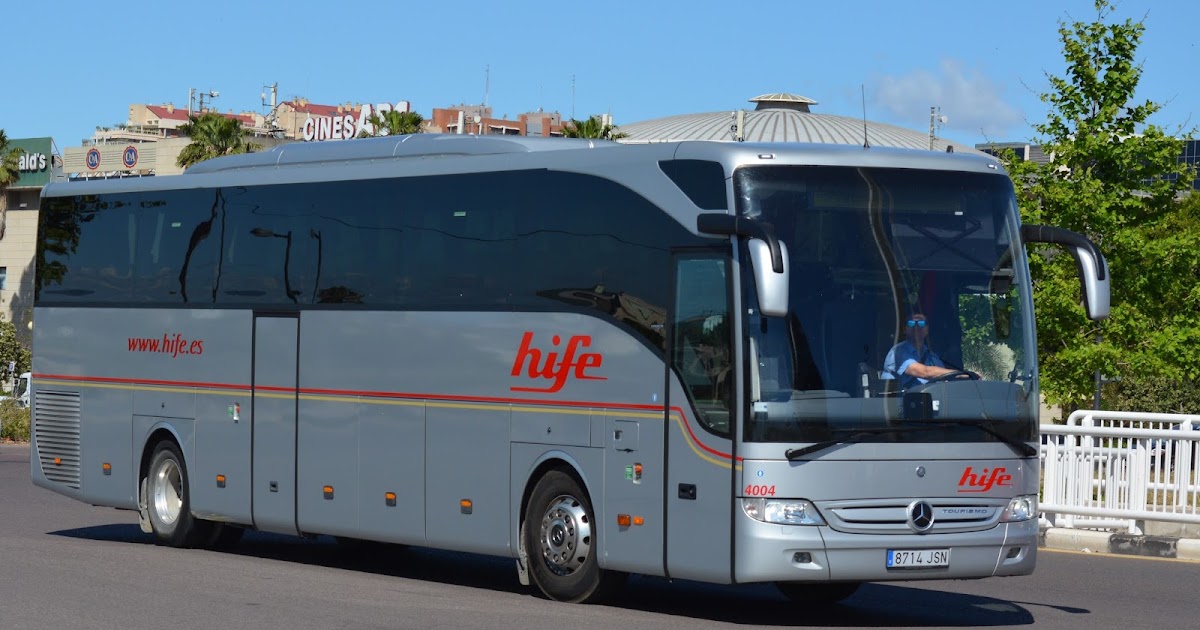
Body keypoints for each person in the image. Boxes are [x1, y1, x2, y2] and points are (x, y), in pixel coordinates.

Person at [881, 313, 962, 390]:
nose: (916, 327)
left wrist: (969, 376)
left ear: (927, 330)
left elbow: (944, 375)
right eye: (911, 323)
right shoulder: (897, 352)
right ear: (904, 330)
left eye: (921, 323)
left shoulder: (932, 357)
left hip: (928, 400)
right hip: (897, 402)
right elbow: (924, 372)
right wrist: (960, 373)